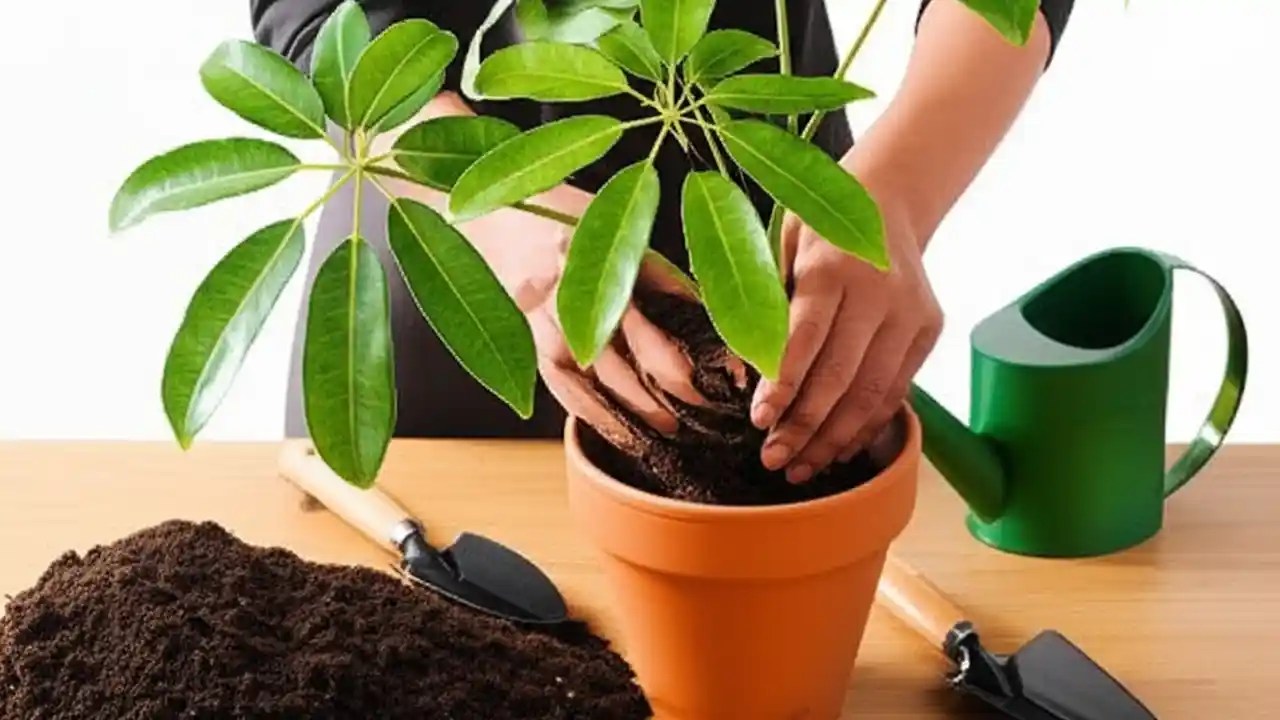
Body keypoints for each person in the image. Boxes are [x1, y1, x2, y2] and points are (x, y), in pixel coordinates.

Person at [252, 0, 1074, 483]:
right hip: (456, 219)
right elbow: (325, 15)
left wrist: (898, 189)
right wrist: (502, 212)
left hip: (782, 226)